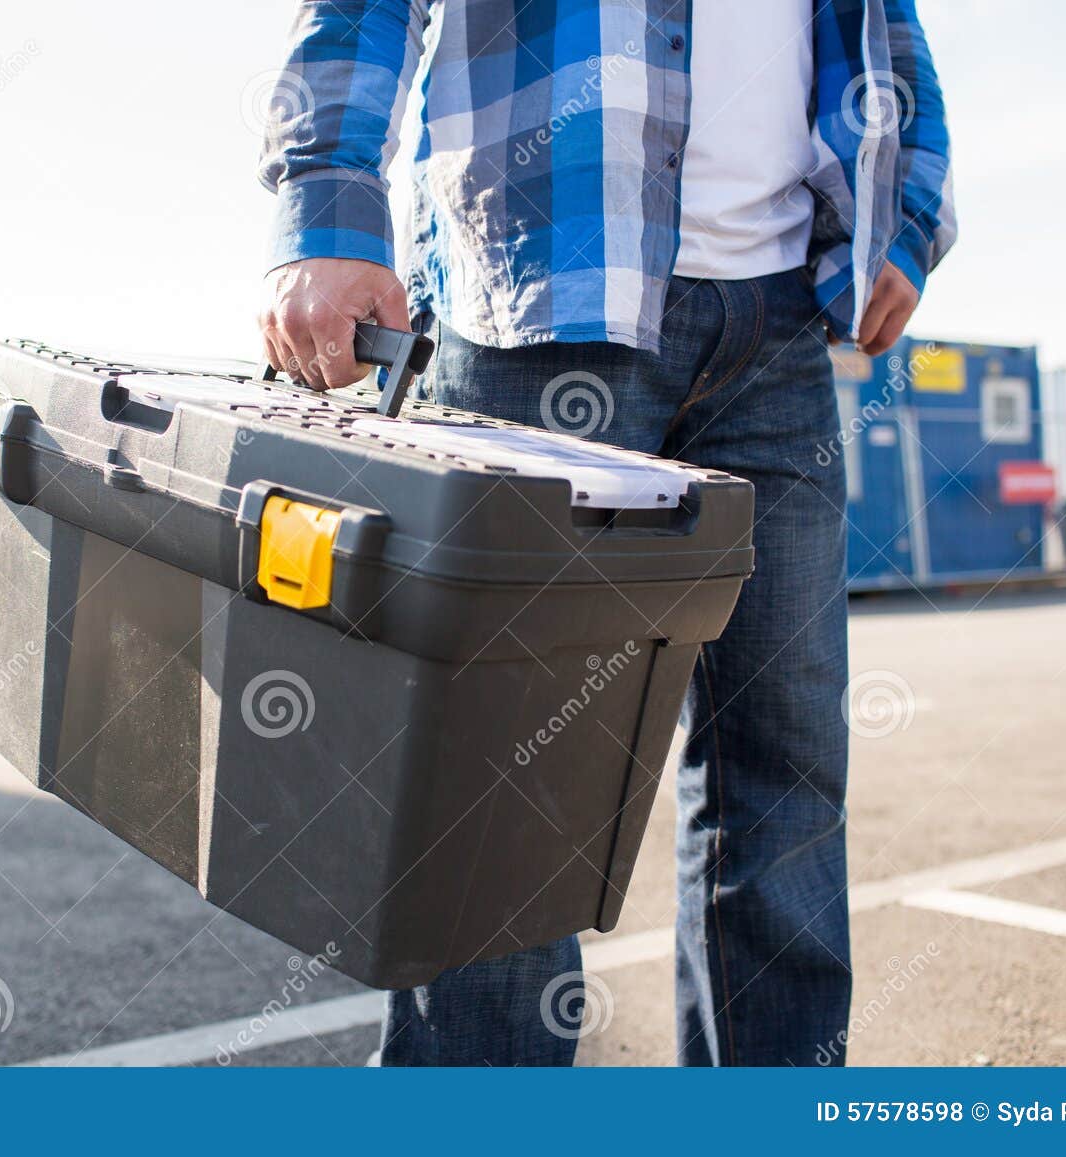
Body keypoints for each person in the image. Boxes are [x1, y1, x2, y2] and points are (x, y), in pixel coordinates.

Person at [257, 0, 955, 1066]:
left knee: (786, 770)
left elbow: (883, 25)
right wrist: (325, 208)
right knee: (508, 785)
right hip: (538, 295)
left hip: (775, 331)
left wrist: (901, 213)